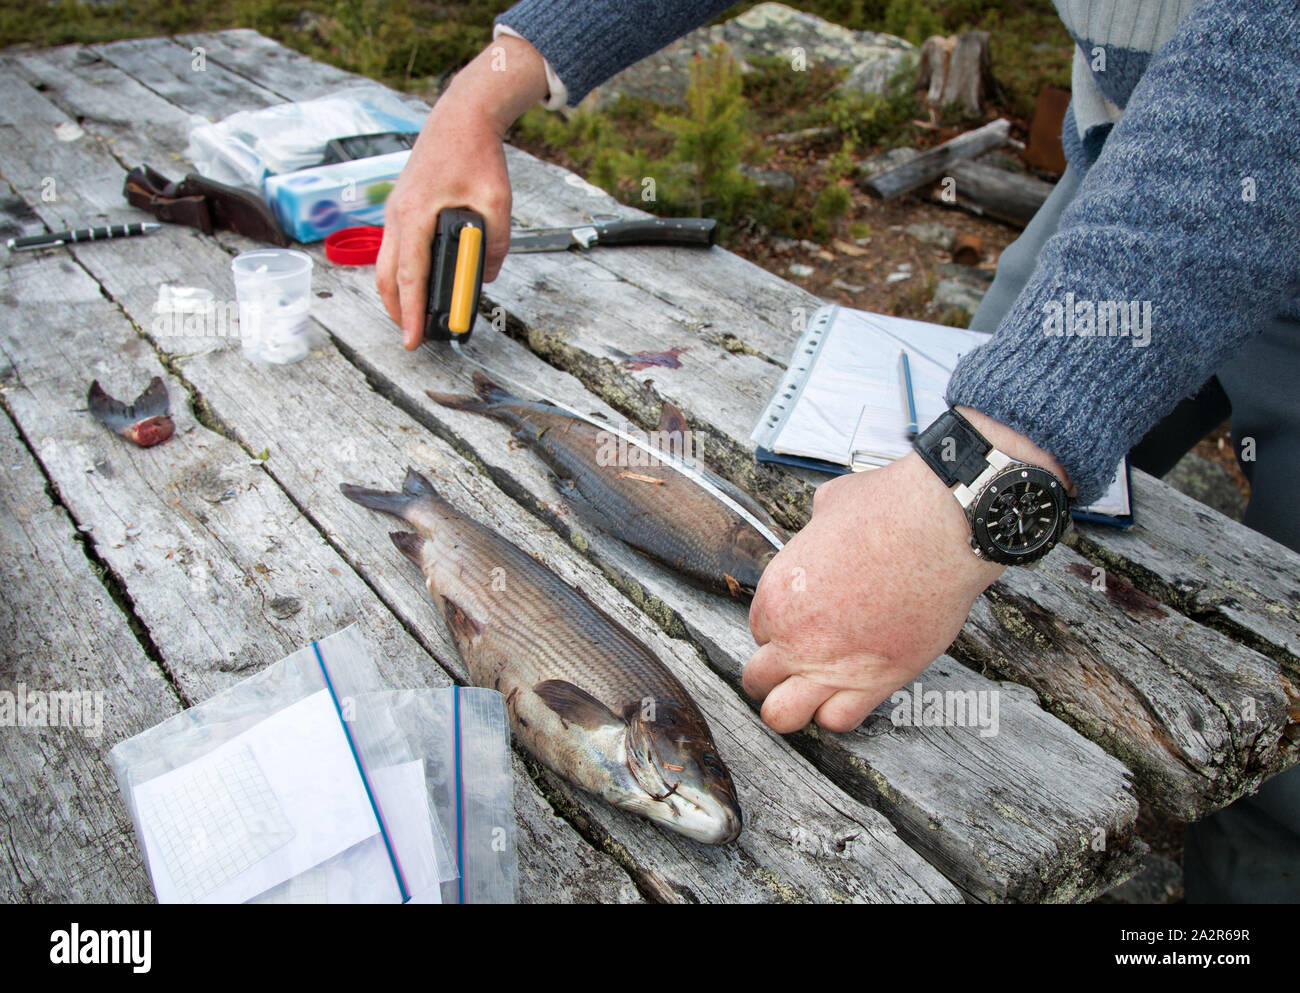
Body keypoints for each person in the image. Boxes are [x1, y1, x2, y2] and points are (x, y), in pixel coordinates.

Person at [376, 1, 1300, 901]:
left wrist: (983, 476)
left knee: (1284, 722)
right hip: (1129, 157)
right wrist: (479, 94)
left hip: (1251, 141)